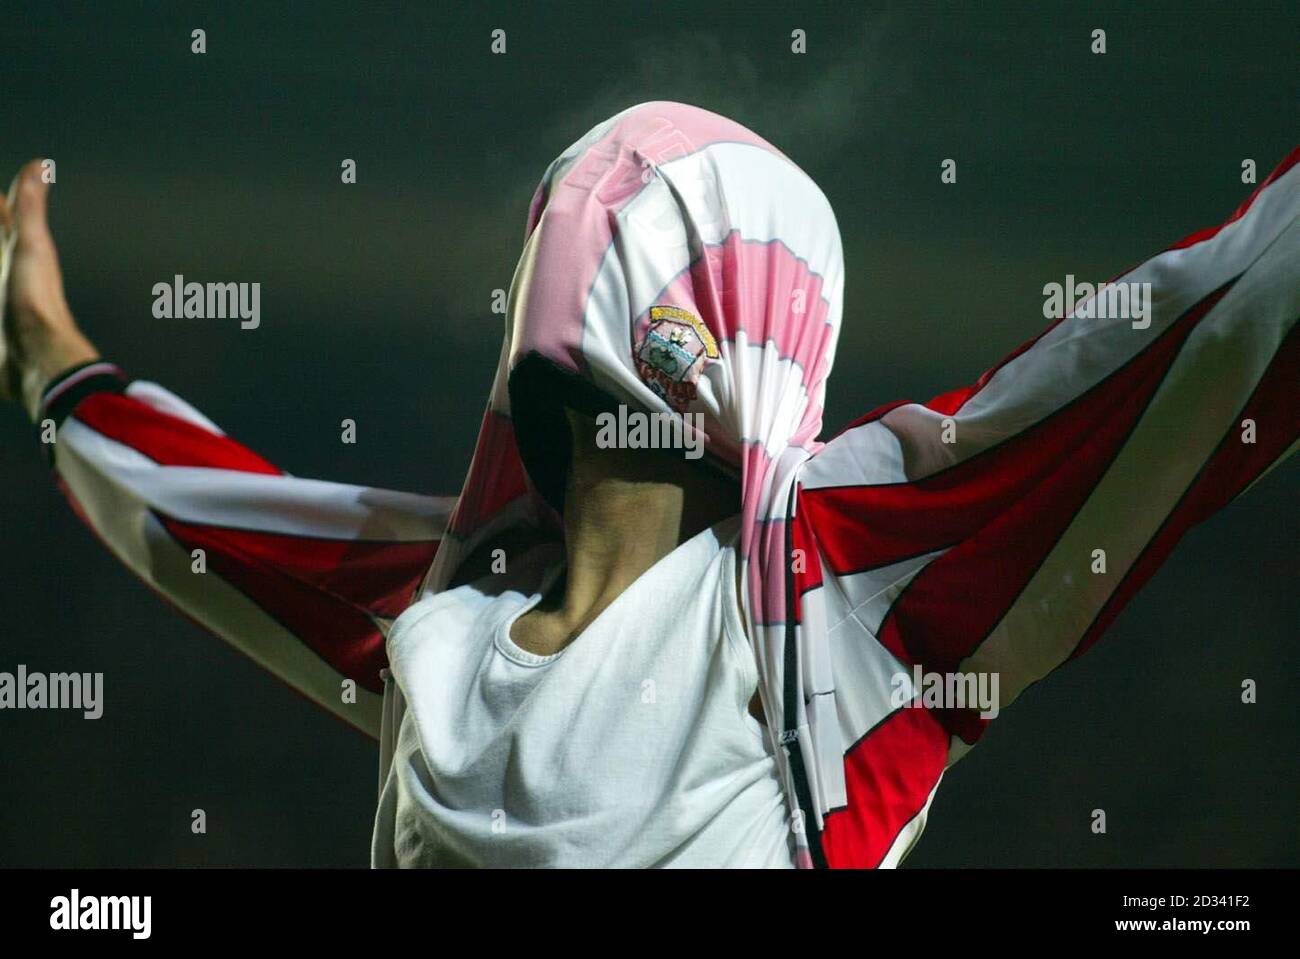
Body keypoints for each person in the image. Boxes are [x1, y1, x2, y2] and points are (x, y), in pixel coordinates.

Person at [2, 103, 1295, 868]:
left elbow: (195, 517)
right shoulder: (819, 595)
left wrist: (54, 369)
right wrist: (52, 366)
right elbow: (1215, 319)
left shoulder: (455, 625)